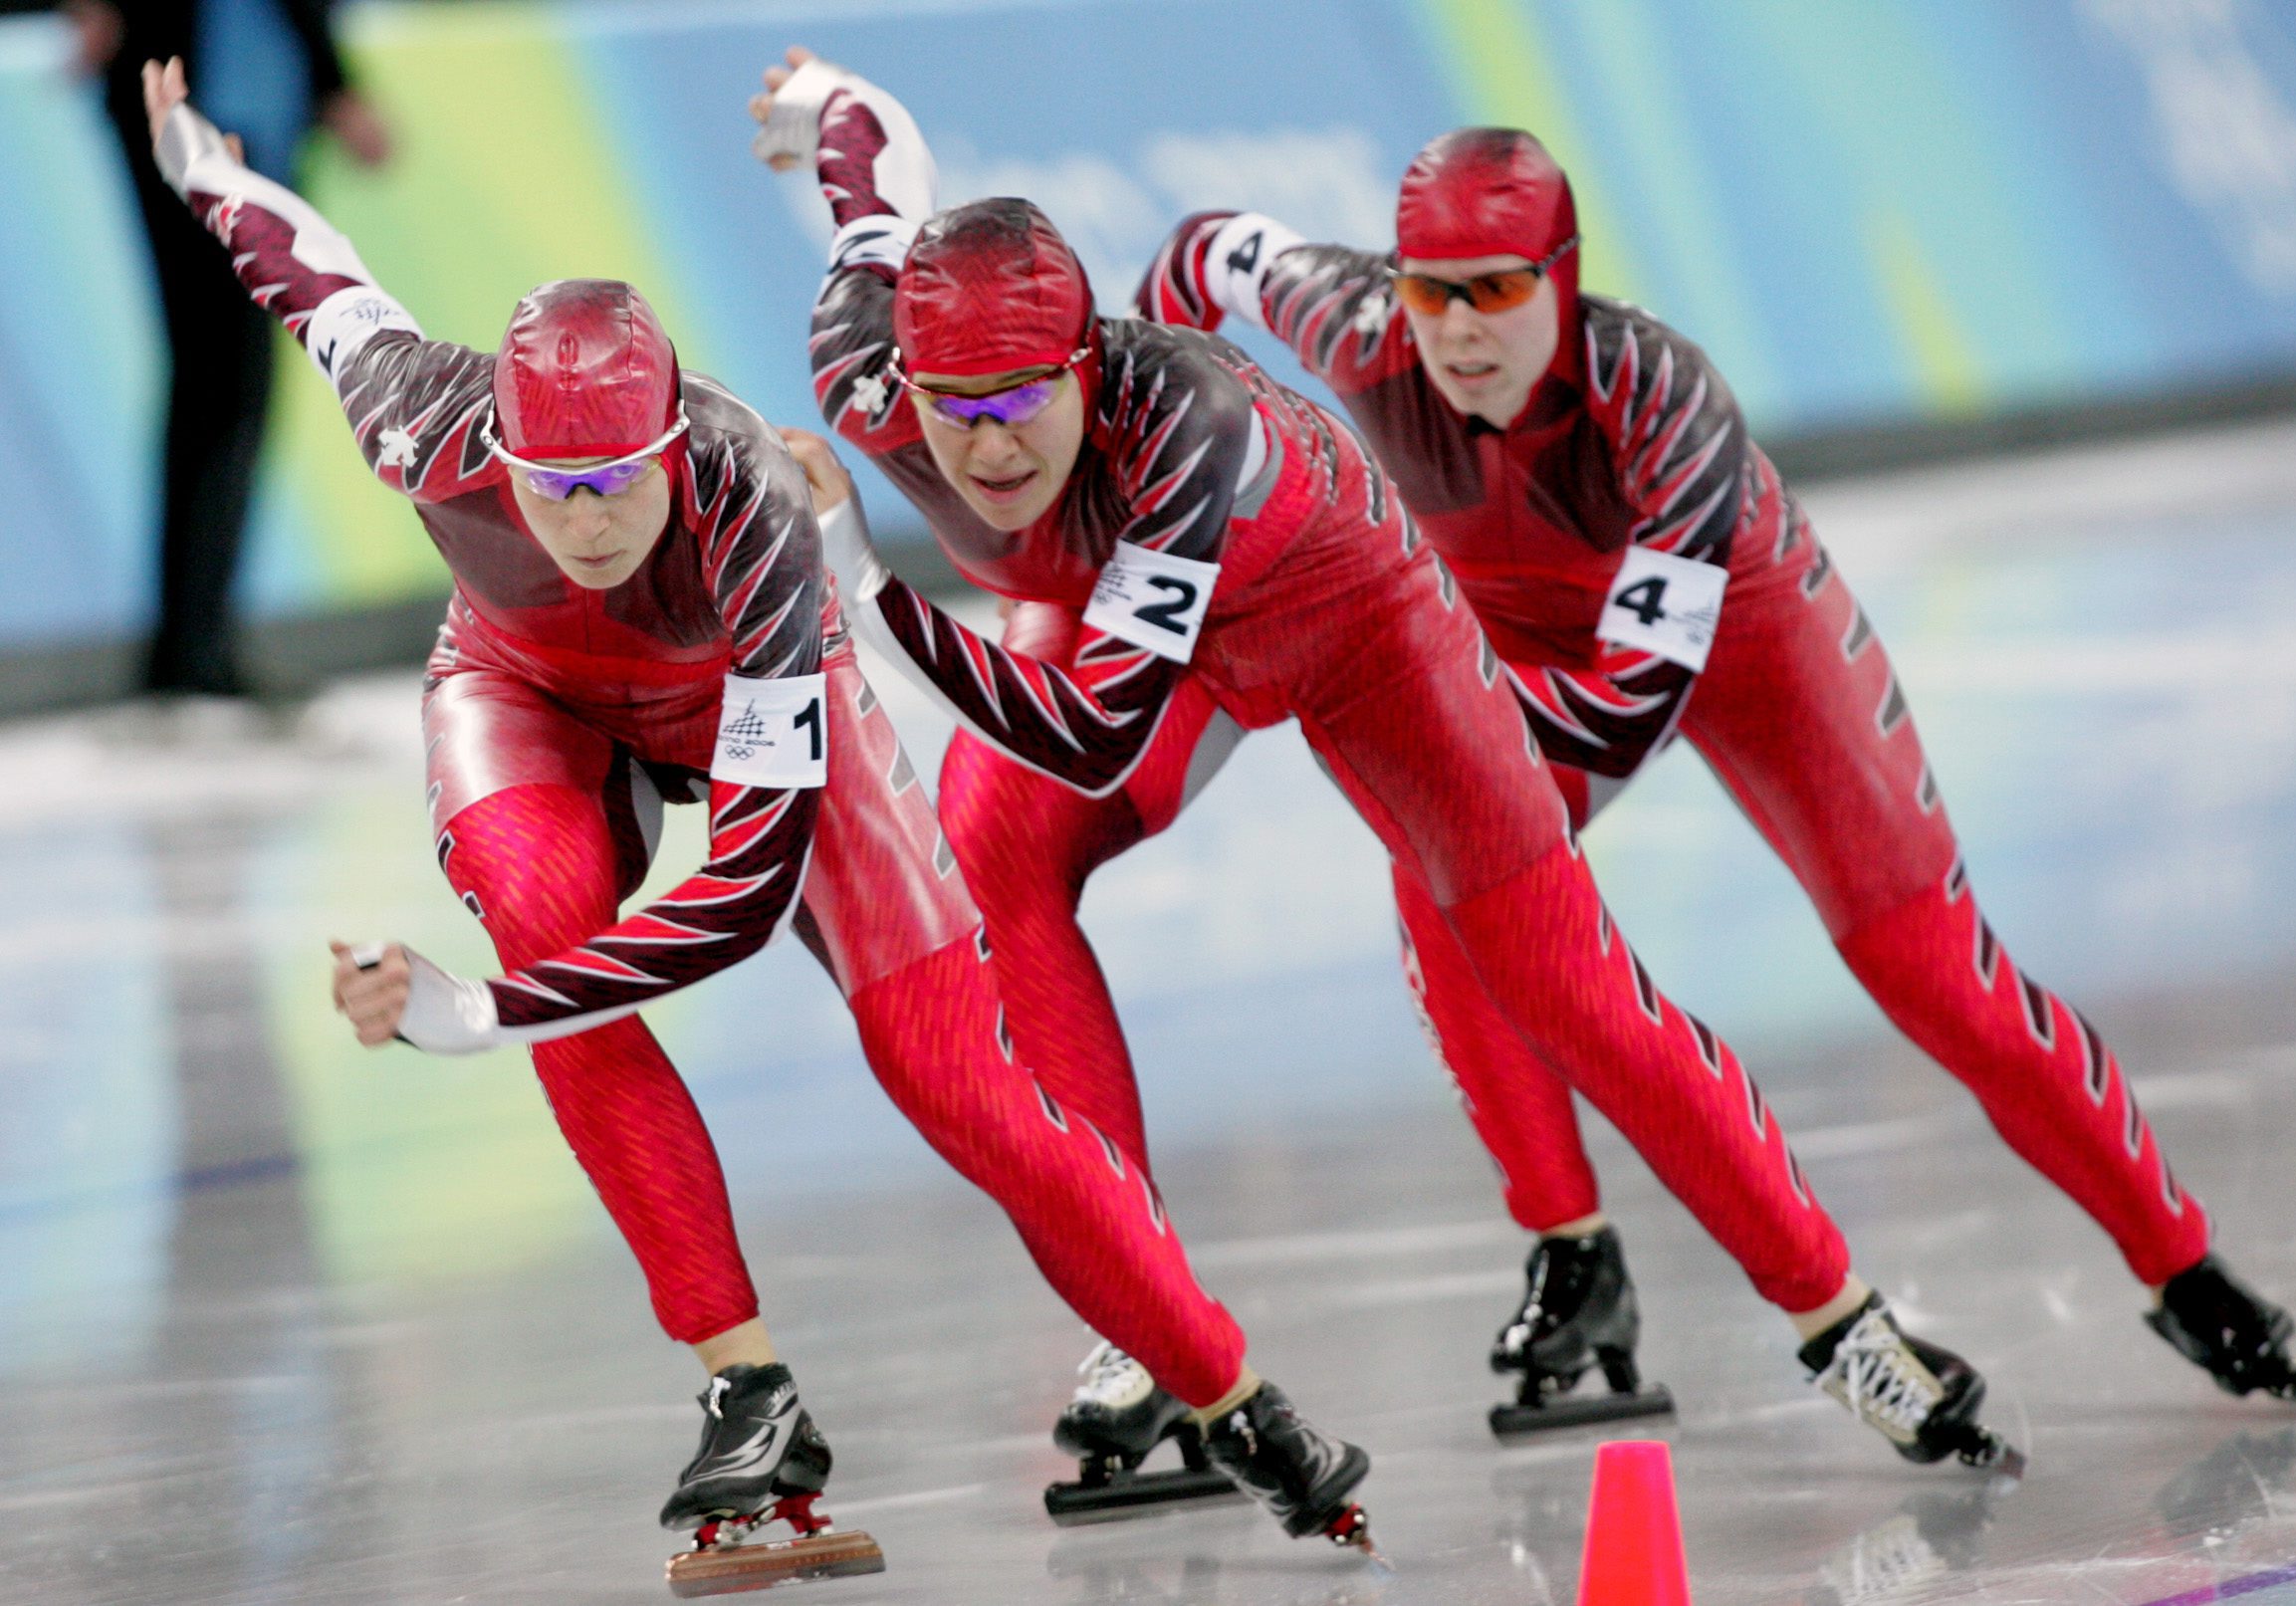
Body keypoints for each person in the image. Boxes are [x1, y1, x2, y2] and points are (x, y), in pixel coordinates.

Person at [138, 56, 1376, 1552]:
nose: (586, 521)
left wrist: (481, 1015)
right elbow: (312, 272)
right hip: (526, 687)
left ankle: (1232, 1390)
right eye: (548, 487)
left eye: (618, 481)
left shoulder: (756, 518)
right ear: (498, 456)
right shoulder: (419, 414)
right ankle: (749, 1387)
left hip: (749, 693)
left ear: (673, 446)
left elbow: (740, 898)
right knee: (546, 917)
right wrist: (205, 167)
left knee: (955, 1074)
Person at [751, 45, 2023, 1482]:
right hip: (1134, 617)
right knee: (992, 858)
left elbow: (1094, 731)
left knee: (1563, 980)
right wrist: (822, 100)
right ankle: (1146, 1318)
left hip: (1358, 625)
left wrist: (868, 584)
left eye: (1022, 401)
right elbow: (876, 176)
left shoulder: (1186, 422)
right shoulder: (861, 360)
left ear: (1088, 365)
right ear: (895, 378)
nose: (987, 449)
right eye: (953, 406)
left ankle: (1837, 1318)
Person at [1124, 126, 2296, 1416]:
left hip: (1748, 644)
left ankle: (2179, 1259)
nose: (1460, 329)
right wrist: (1153, 458)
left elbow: (1623, 709)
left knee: (1929, 968)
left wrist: (1447, 729)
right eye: (1433, 290)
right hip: (1530, 642)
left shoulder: (1660, 395)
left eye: (1499, 289)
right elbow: (1202, 257)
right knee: (1443, 876)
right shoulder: (1356, 322)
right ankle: (1572, 1251)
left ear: (1563, 278)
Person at [44, 0, 391, 699]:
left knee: (223, 379)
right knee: (222, 377)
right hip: (197, 96)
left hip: (243, 101)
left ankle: (196, 640)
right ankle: (193, 647)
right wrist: (336, 82)